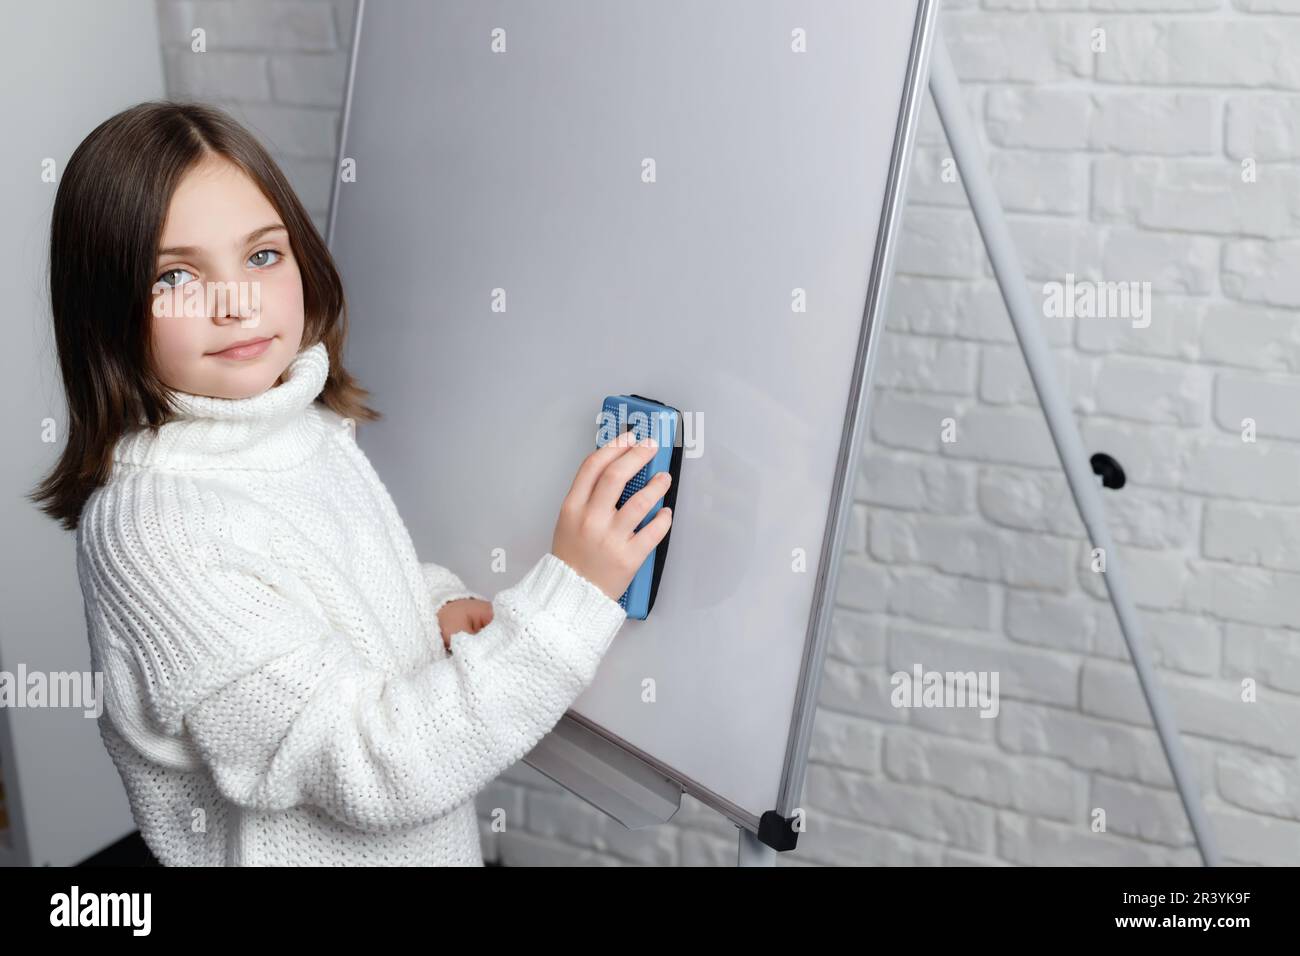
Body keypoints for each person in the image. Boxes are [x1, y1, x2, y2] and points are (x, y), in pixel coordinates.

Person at [29, 101, 672, 866]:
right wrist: (573, 596)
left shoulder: (292, 425)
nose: (238, 303)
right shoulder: (153, 531)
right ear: (107, 311)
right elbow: (373, 763)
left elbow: (333, 586)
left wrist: (430, 606)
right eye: (177, 274)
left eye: (262, 256)